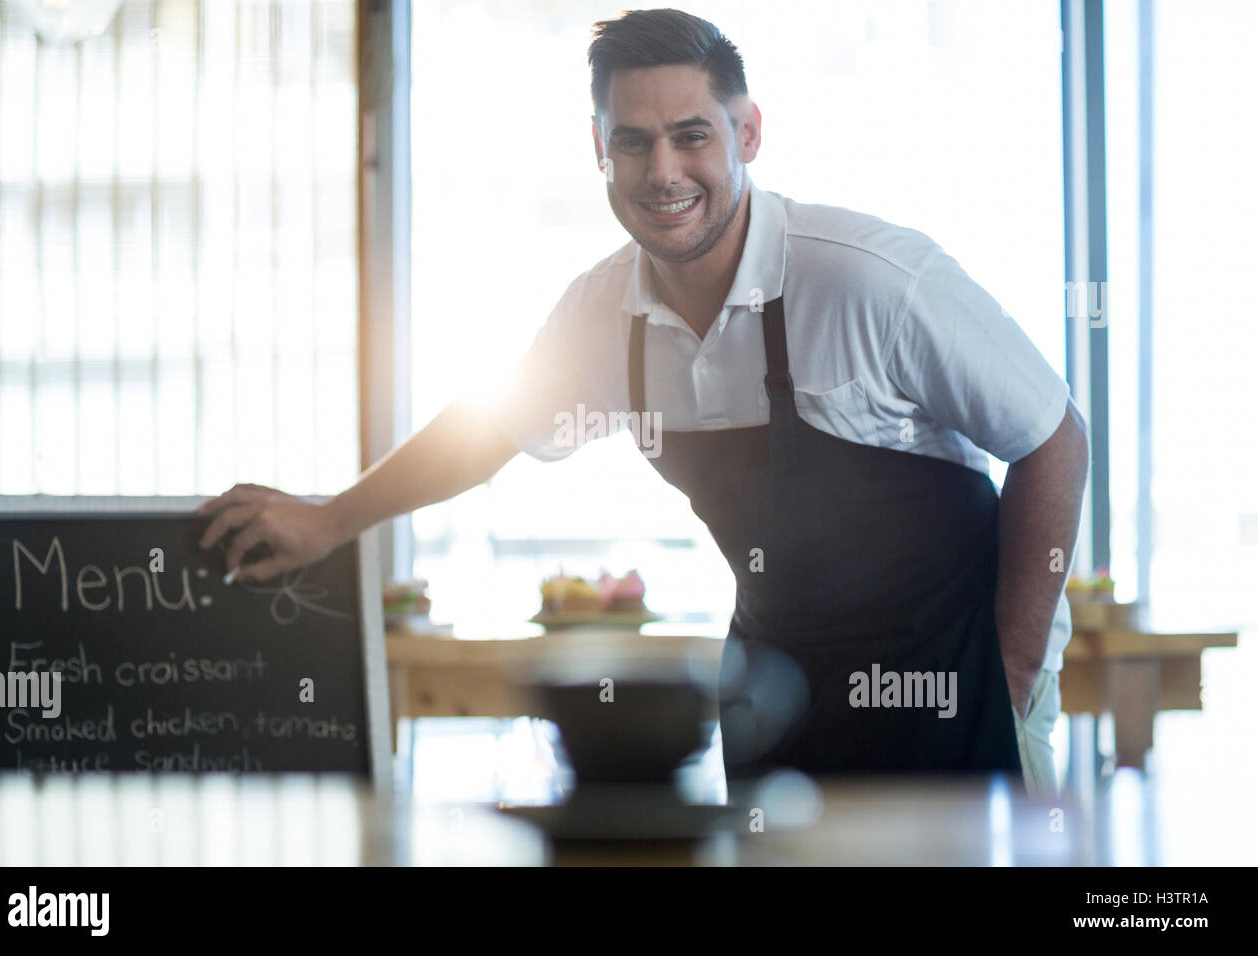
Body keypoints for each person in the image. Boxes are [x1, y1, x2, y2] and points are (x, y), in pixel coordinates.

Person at [199, 8, 1089, 795]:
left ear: (748, 133)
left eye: (692, 135)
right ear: (599, 150)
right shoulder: (602, 315)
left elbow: (1053, 436)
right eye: (632, 141)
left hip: (960, 682)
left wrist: (1011, 674)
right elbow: (484, 433)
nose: (663, 170)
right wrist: (330, 520)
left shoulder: (871, 281)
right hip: (779, 692)